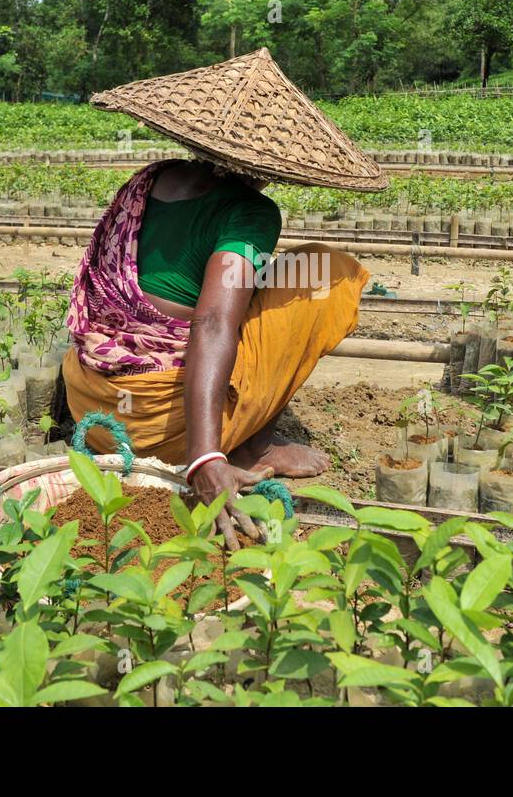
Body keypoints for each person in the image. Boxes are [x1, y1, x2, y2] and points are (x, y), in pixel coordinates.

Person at [62, 48, 388, 546]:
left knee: (267, 279)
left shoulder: (153, 177)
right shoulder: (250, 212)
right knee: (329, 273)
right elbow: (212, 323)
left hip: (96, 411)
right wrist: (204, 458)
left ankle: (229, 438)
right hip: (158, 434)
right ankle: (247, 447)